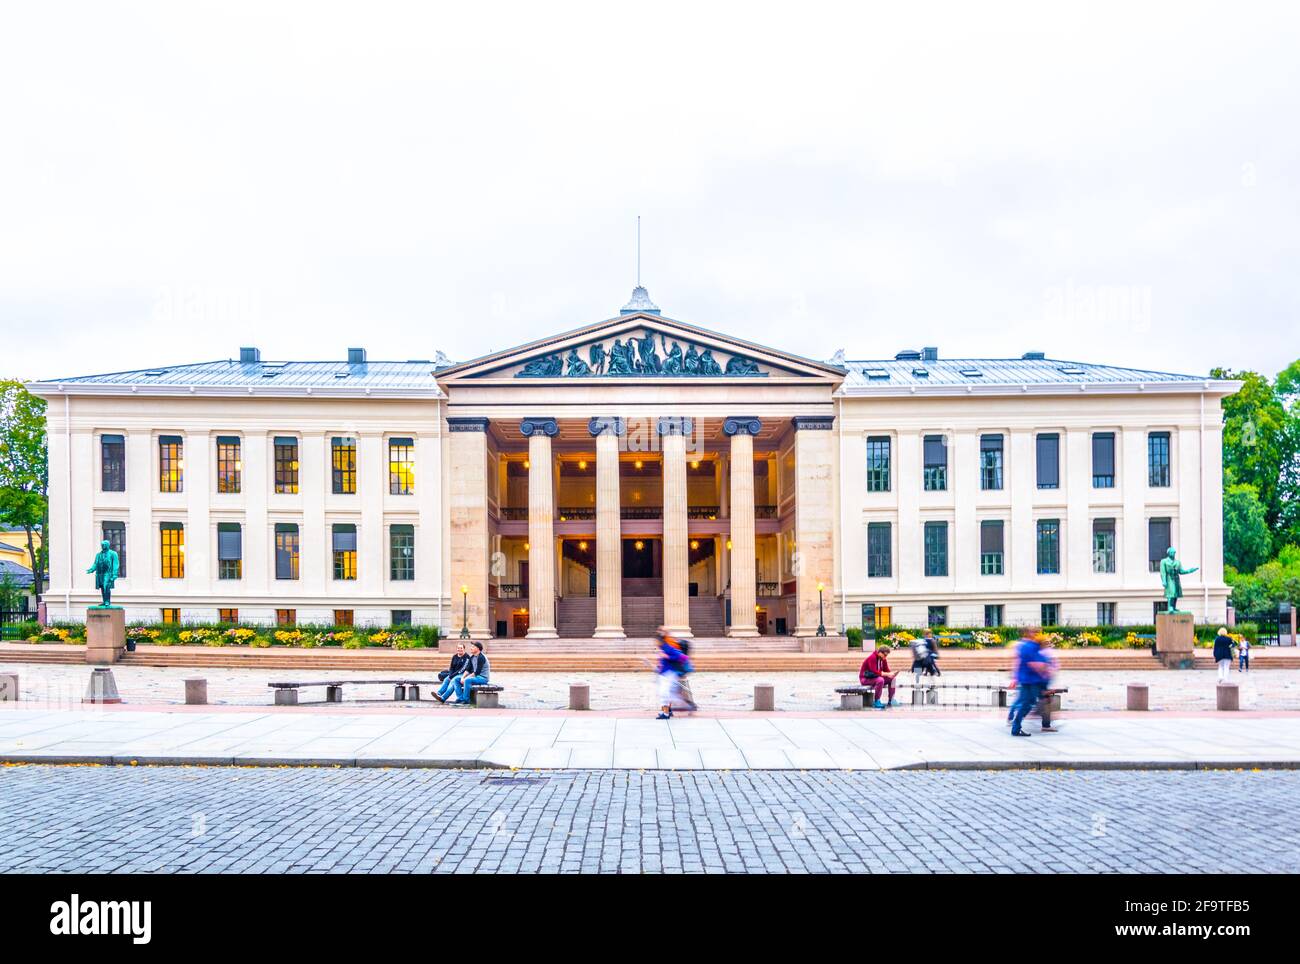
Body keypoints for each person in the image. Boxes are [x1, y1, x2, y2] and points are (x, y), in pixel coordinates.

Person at [1009, 629, 1052, 737]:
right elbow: (1033, 663)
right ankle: (1016, 727)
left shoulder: (1025, 646)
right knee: (1028, 703)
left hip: (1026, 680)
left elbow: (1020, 662)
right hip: (1032, 681)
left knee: (1026, 702)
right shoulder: (1032, 648)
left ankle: (1016, 727)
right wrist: (1044, 669)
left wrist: (1016, 678)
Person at [654, 627, 694, 719]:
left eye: (656, 641)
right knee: (666, 695)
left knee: (666, 694)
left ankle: (684, 707)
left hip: (669, 674)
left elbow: (683, 657)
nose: (655, 643)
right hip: (664, 674)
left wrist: (667, 657)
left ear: (660, 641)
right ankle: (667, 712)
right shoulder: (662, 648)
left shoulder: (667, 648)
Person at [859, 644, 897, 709]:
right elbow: (874, 671)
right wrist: (887, 674)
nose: (885, 657)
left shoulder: (883, 659)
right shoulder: (872, 657)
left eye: (886, 655)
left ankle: (891, 699)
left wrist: (891, 674)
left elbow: (886, 670)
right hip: (865, 678)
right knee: (880, 680)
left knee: (893, 679)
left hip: (875, 678)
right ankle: (877, 700)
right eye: (884, 655)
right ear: (879, 652)